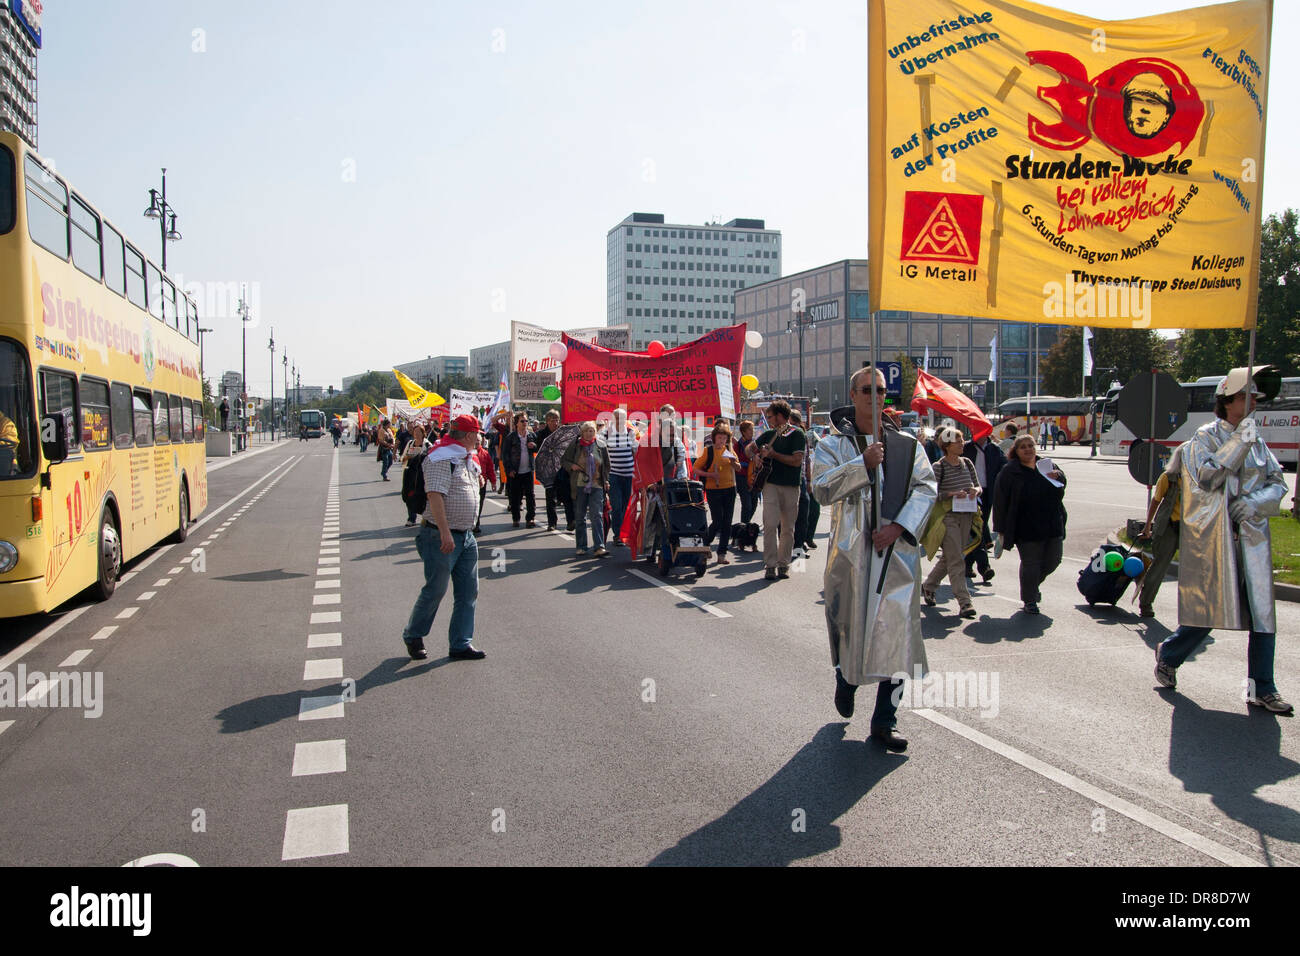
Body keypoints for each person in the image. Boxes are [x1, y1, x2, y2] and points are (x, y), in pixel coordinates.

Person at [813, 366, 937, 753]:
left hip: (896, 553)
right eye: (868, 389)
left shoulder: (906, 445)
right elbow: (820, 489)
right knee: (852, 627)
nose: (877, 396)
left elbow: (926, 487)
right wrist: (861, 464)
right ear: (853, 394)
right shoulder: (832, 444)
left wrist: (898, 528)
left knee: (897, 634)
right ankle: (846, 678)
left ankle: (885, 721)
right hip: (852, 556)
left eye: (883, 390)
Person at [1155, 368, 1292, 713]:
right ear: (1228, 399)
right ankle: (1169, 654)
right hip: (1217, 540)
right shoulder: (1204, 437)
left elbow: (1278, 483)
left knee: (1263, 615)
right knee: (1211, 612)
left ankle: (1263, 687)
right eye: (1248, 396)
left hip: (1254, 538)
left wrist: (1255, 503)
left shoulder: (1258, 439)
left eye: (1257, 398)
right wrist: (1239, 443)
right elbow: (1207, 476)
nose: (1254, 403)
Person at [401, 414, 486, 662]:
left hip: (466, 536)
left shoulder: (464, 457)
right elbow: (434, 495)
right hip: (440, 535)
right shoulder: (441, 457)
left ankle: (460, 643)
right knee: (436, 589)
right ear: (470, 435)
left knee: (468, 592)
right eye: (478, 433)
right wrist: (444, 531)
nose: (480, 437)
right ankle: (413, 634)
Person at [992, 434, 1067, 615]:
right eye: (1023, 447)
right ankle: (1030, 600)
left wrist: (1060, 476)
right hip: (1025, 526)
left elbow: (1061, 486)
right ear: (1016, 451)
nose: (1027, 449)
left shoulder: (1047, 465)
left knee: (1053, 560)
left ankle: (1032, 587)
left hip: (1052, 522)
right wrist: (1000, 528)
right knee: (1031, 564)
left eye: (1030, 446)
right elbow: (1000, 500)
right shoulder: (1010, 471)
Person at [921, 426, 982, 618]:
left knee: (951, 556)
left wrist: (976, 491)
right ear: (946, 445)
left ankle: (929, 586)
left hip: (967, 515)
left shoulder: (967, 463)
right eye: (957, 441)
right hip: (948, 517)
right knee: (957, 559)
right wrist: (951, 494)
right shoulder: (939, 467)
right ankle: (965, 602)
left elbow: (978, 485)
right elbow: (931, 493)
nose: (961, 443)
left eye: (962, 440)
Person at [746, 399, 806, 581]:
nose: (769, 419)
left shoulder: (797, 434)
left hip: (791, 486)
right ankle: (770, 564)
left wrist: (773, 455)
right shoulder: (769, 434)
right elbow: (749, 449)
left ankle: (783, 564)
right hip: (770, 484)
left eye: (770, 416)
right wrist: (756, 456)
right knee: (770, 524)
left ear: (780, 416)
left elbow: (797, 461)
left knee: (788, 528)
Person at [1137, 442, 1185, 618]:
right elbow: (1156, 502)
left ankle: (1194, 611)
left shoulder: (1199, 479)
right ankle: (1146, 603)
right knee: (1160, 567)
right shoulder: (1169, 477)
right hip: (1168, 528)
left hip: (1189, 530)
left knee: (1194, 571)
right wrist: (1148, 526)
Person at [561, 420, 611, 558]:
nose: (590, 433)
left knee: (597, 515)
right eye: (587, 431)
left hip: (596, 485)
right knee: (580, 517)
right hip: (579, 485)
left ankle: (599, 546)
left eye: (592, 431)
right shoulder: (576, 445)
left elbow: (606, 465)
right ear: (582, 433)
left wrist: (606, 480)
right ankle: (581, 546)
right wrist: (572, 466)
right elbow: (564, 461)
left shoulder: (600, 445)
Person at [962, 429, 1006, 585]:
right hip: (970, 494)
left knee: (977, 529)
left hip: (987, 493)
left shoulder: (994, 449)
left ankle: (967, 565)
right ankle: (984, 566)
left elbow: (1004, 469)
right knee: (978, 529)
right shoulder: (966, 448)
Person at [694, 422, 739, 565]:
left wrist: (733, 462)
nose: (721, 441)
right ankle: (705, 544)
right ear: (714, 438)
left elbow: (738, 468)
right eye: (719, 438)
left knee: (727, 523)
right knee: (717, 521)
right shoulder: (708, 451)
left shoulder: (730, 450)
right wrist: (710, 475)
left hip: (730, 488)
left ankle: (722, 553)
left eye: (724, 438)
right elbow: (696, 469)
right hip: (713, 490)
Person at [536, 410, 575, 531]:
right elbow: (538, 450)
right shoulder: (541, 434)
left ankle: (570, 521)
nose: (555, 422)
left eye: (557, 420)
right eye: (553, 420)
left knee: (566, 496)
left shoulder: (562, 432)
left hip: (562, 469)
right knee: (550, 498)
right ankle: (552, 523)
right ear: (547, 421)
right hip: (548, 469)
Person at [605, 409, 637, 546]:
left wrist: (637, 472)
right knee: (617, 506)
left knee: (625, 506)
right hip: (614, 475)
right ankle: (617, 534)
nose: (620, 421)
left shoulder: (630, 433)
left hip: (629, 475)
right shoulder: (606, 433)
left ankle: (624, 533)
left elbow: (635, 452)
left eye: (622, 418)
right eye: (617, 418)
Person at [503, 411, 538, 528]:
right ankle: (516, 518)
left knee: (530, 495)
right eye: (522, 421)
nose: (525, 423)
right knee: (515, 496)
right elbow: (505, 455)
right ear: (516, 423)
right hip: (515, 471)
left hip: (528, 470)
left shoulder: (531, 435)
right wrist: (509, 470)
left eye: (526, 421)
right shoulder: (511, 437)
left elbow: (538, 448)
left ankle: (530, 518)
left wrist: (534, 446)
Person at [399, 423, 432, 526]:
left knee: (423, 496)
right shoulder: (410, 443)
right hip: (410, 474)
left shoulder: (428, 445)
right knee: (409, 495)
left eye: (419, 432)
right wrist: (408, 456)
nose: (416, 434)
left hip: (422, 475)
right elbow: (402, 458)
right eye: (415, 432)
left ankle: (426, 518)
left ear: (423, 434)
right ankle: (411, 518)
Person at [472, 431, 496, 535]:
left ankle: (476, 523)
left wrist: (493, 482)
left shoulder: (485, 454)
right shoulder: (467, 452)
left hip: (482, 483)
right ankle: (470, 523)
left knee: (479, 503)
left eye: (479, 441)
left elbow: (490, 468)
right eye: (475, 441)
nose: (477, 443)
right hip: (471, 483)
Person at [658, 404, 688, 482]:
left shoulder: (679, 432)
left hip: (673, 477)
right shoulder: (652, 434)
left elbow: (681, 456)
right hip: (656, 477)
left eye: (673, 414)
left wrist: (682, 476)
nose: (672, 416)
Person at [735, 420, 757, 525]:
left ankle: (746, 524)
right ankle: (744, 527)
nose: (752, 432)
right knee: (747, 504)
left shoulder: (755, 444)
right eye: (750, 430)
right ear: (743, 431)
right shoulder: (737, 446)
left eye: (752, 429)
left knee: (754, 504)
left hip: (754, 477)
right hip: (742, 477)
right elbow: (735, 461)